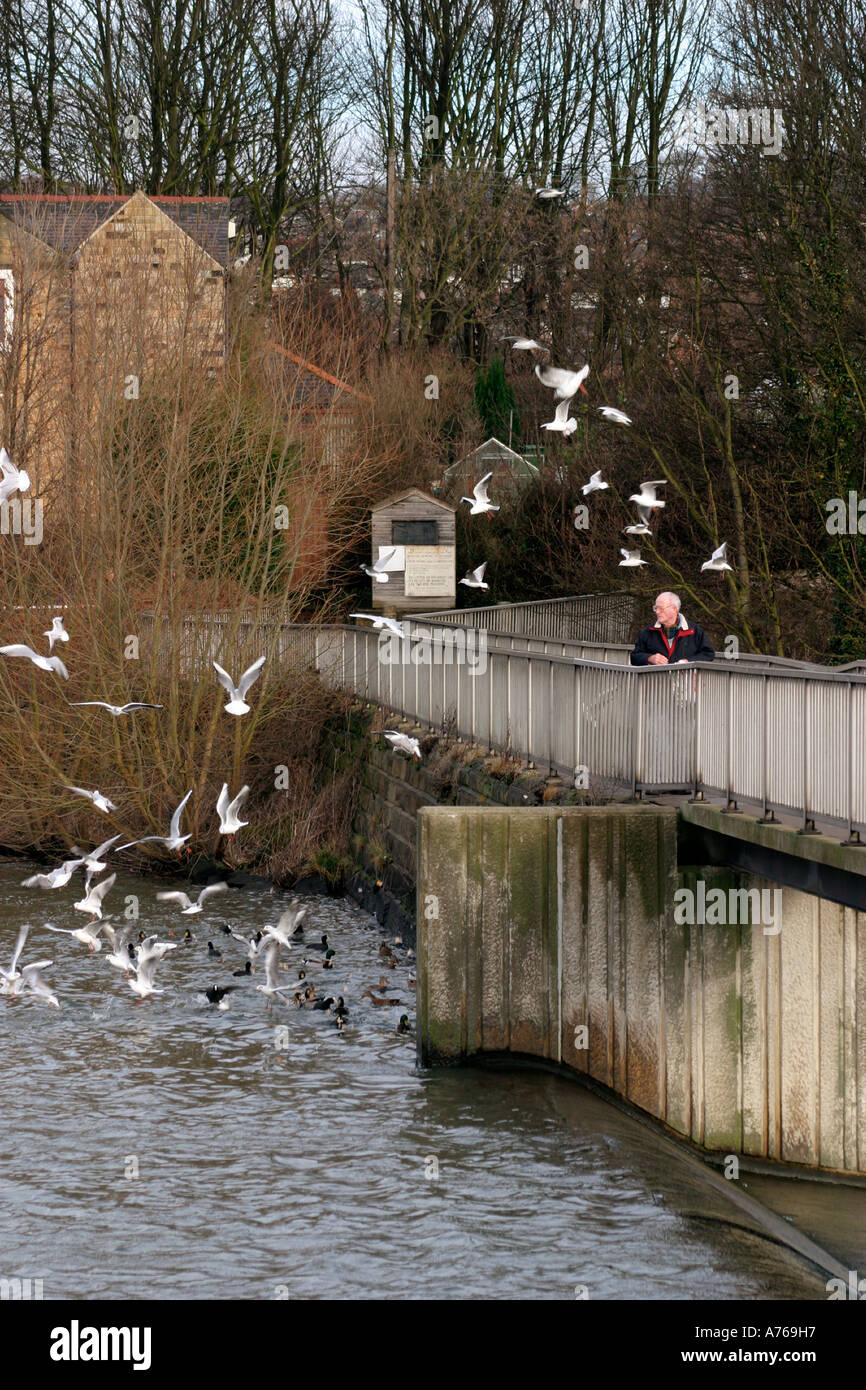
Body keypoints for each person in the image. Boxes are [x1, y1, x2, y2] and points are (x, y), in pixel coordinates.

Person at [630, 592, 714, 666]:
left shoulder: (695, 631)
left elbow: (708, 654)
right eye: (656, 608)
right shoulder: (648, 632)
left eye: (661, 608)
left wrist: (688, 662)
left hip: (686, 682)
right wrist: (650, 658)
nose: (657, 612)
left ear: (674, 609)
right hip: (656, 682)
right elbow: (634, 657)